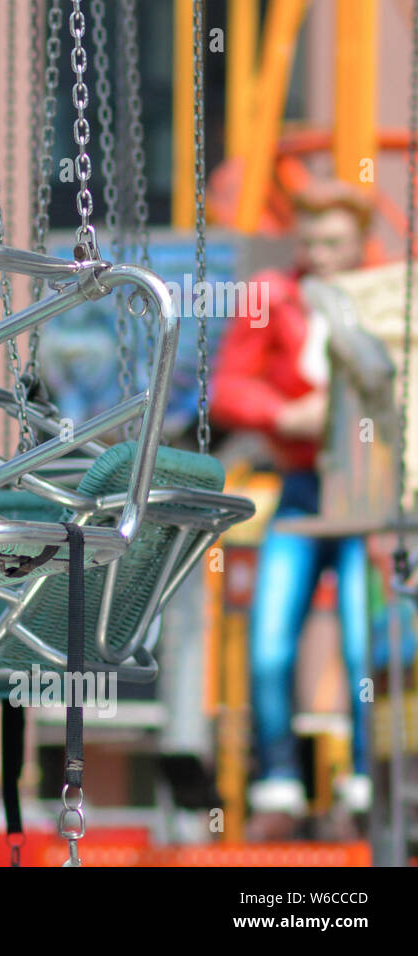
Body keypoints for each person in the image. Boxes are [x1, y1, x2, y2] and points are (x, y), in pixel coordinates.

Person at [210, 178, 378, 841]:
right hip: (305, 485)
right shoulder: (273, 297)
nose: (323, 255)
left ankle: (368, 782)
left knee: (369, 647)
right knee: (270, 639)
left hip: (371, 493)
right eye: (310, 242)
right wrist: (285, 412)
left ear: (361, 242)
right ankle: (278, 782)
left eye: (335, 242)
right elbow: (228, 387)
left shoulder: (387, 298)